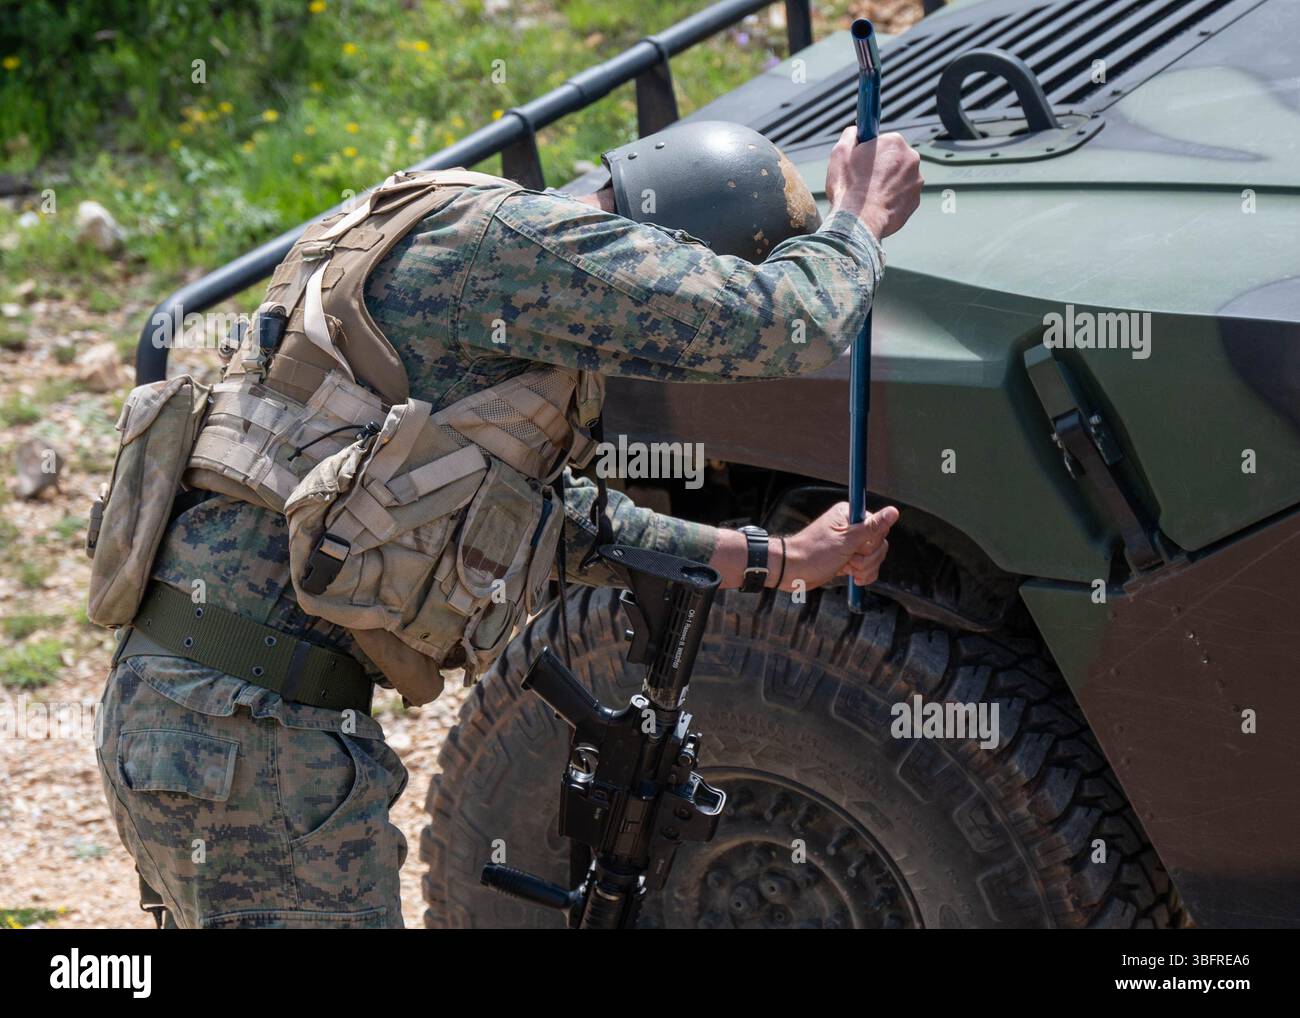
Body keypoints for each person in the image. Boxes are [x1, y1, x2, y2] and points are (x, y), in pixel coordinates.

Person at [93, 119, 923, 928]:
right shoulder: (530, 251)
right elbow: (782, 323)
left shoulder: (453, 240)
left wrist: (776, 557)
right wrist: (861, 219)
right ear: (671, 250)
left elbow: (545, 525)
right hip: (254, 741)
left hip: (188, 718)